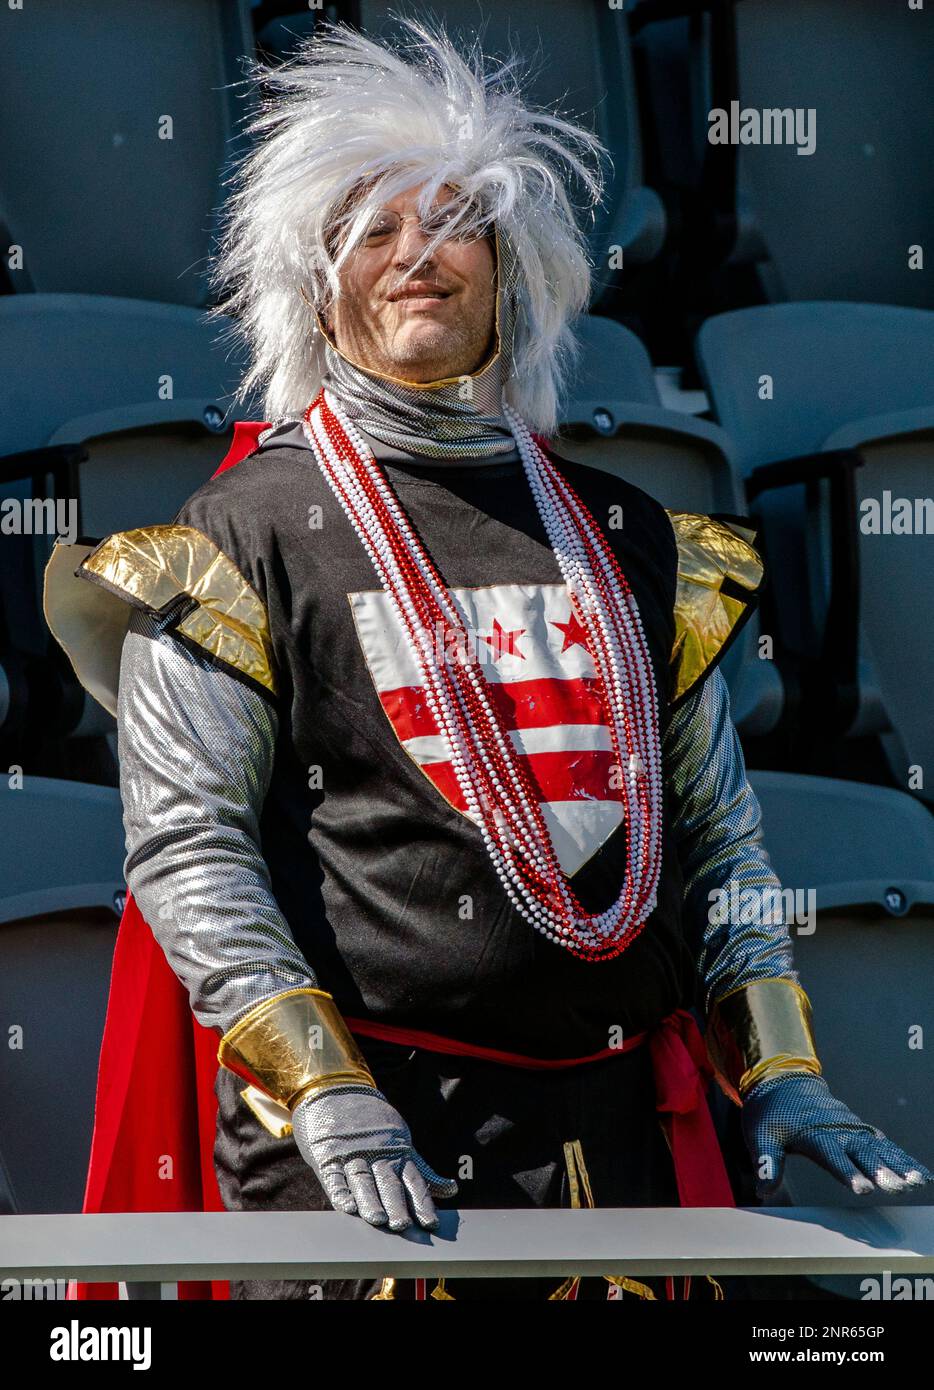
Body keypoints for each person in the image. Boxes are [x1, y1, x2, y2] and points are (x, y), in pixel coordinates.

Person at [46, 17, 932, 1302]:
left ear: (513, 270)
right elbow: (189, 847)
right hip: (359, 1158)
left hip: (620, 1138)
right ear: (316, 278)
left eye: (454, 220)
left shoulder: (631, 532)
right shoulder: (241, 535)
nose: (415, 255)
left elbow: (721, 841)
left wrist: (782, 1063)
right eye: (372, 229)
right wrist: (324, 1088)